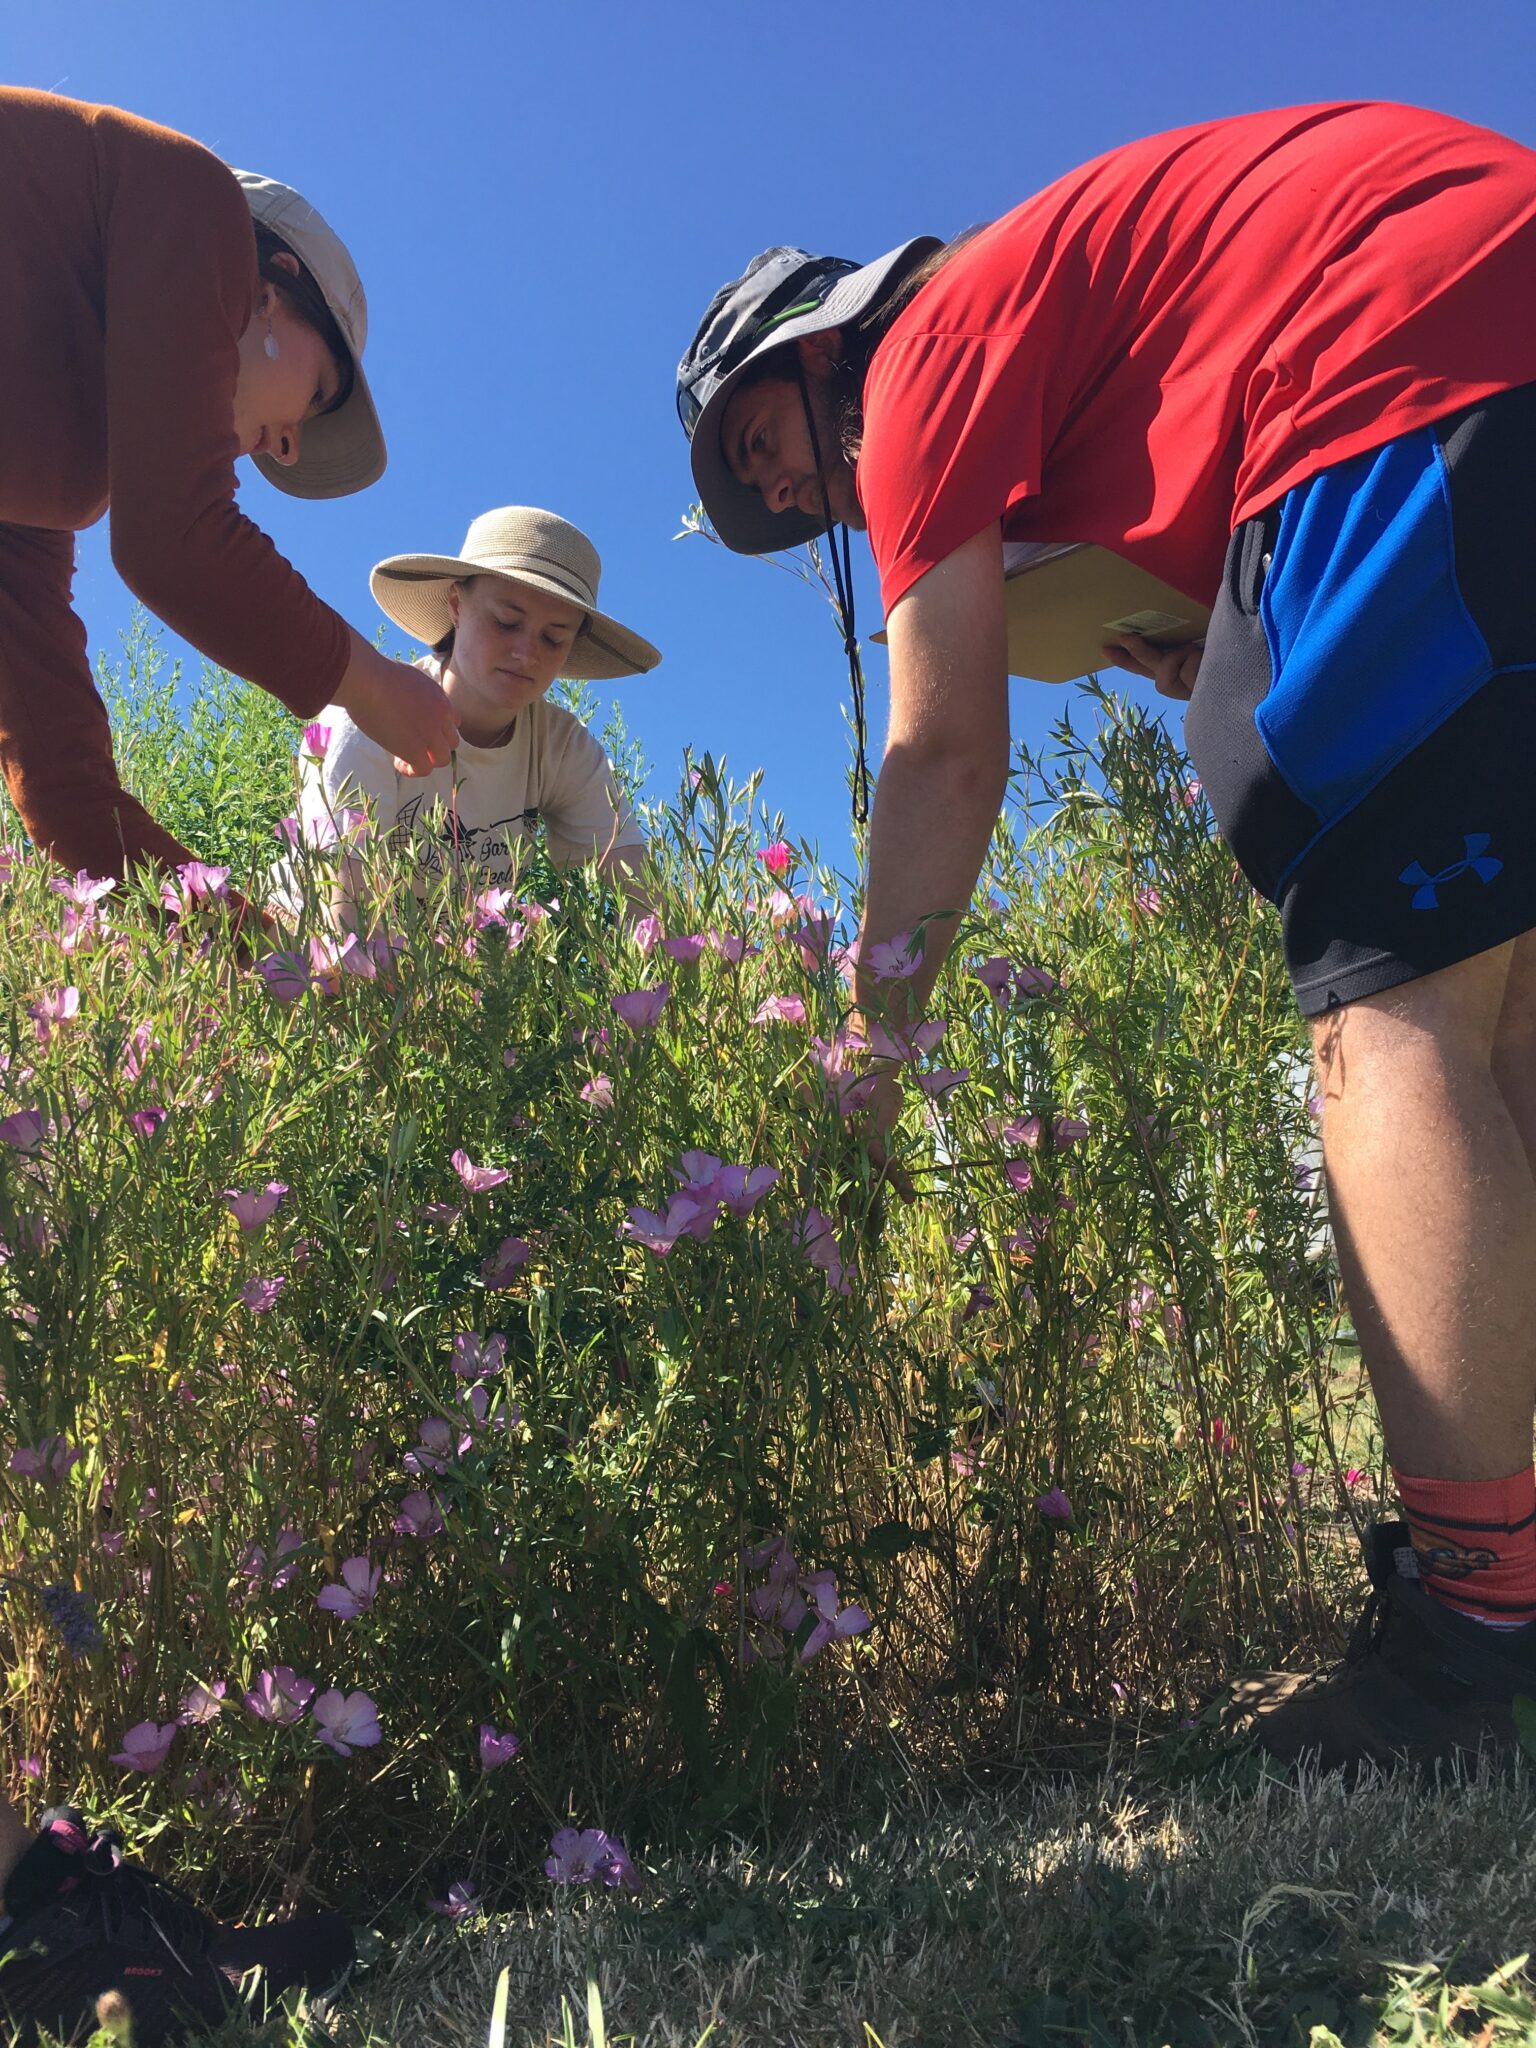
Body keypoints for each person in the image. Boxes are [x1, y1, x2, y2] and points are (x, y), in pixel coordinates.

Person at [675, 101, 1536, 1772]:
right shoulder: (1071, 313)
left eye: (759, 446)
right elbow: (1200, 577)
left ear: (818, 348)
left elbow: (940, 747)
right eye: (764, 495)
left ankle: (1474, 1635)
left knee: (1384, 1005)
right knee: (1505, 1006)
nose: (784, 489)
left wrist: (872, 1065)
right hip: (1480, 311)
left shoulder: (923, 359)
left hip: (1403, 361)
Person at [0, 86, 459, 2042]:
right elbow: (194, 544)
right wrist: (386, 694)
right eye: (291, 411)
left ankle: (25, 1898)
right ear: (266, 292)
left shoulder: (27, 492)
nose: (266, 453)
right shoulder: (177, 189)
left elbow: (77, 802)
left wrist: (261, 947)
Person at [301, 506, 659, 922]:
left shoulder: (563, 749)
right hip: (300, 953)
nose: (526, 654)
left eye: (554, 639)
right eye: (506, 622)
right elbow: (346, 917)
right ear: (456, 604)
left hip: (450, 971)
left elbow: (639, 891)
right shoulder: (370, 714)